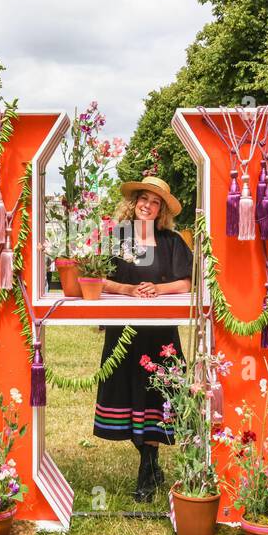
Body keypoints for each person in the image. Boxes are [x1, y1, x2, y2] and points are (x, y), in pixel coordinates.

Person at [91, 176, 192, 502]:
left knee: (156, 396)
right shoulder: (116, 237)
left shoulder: (171, 241)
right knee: (128, 391)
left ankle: (147, 472)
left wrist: (157, 289)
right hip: (125, 331)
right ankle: (149, 462)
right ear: (134, 203)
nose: (147, 205)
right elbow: (99, 279)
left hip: (160, 333)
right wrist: (129, 290)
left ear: (161, 209)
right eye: (143, 199)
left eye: (155, 201)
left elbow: (186, 283)